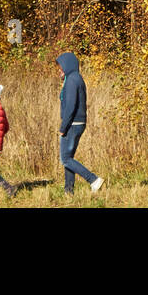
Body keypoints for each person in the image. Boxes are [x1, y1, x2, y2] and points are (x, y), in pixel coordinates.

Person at [56, 52, 103, 194]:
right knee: (69, 158)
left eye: (61, 67)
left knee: (65, 159)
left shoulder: (72, 80)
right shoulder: (75, 78)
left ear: (67, 65)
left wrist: (63, 127)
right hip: (78, 123)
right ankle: (68, 191)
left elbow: (70, 106)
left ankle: (93, 180)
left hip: (73, 124)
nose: (59, 70)